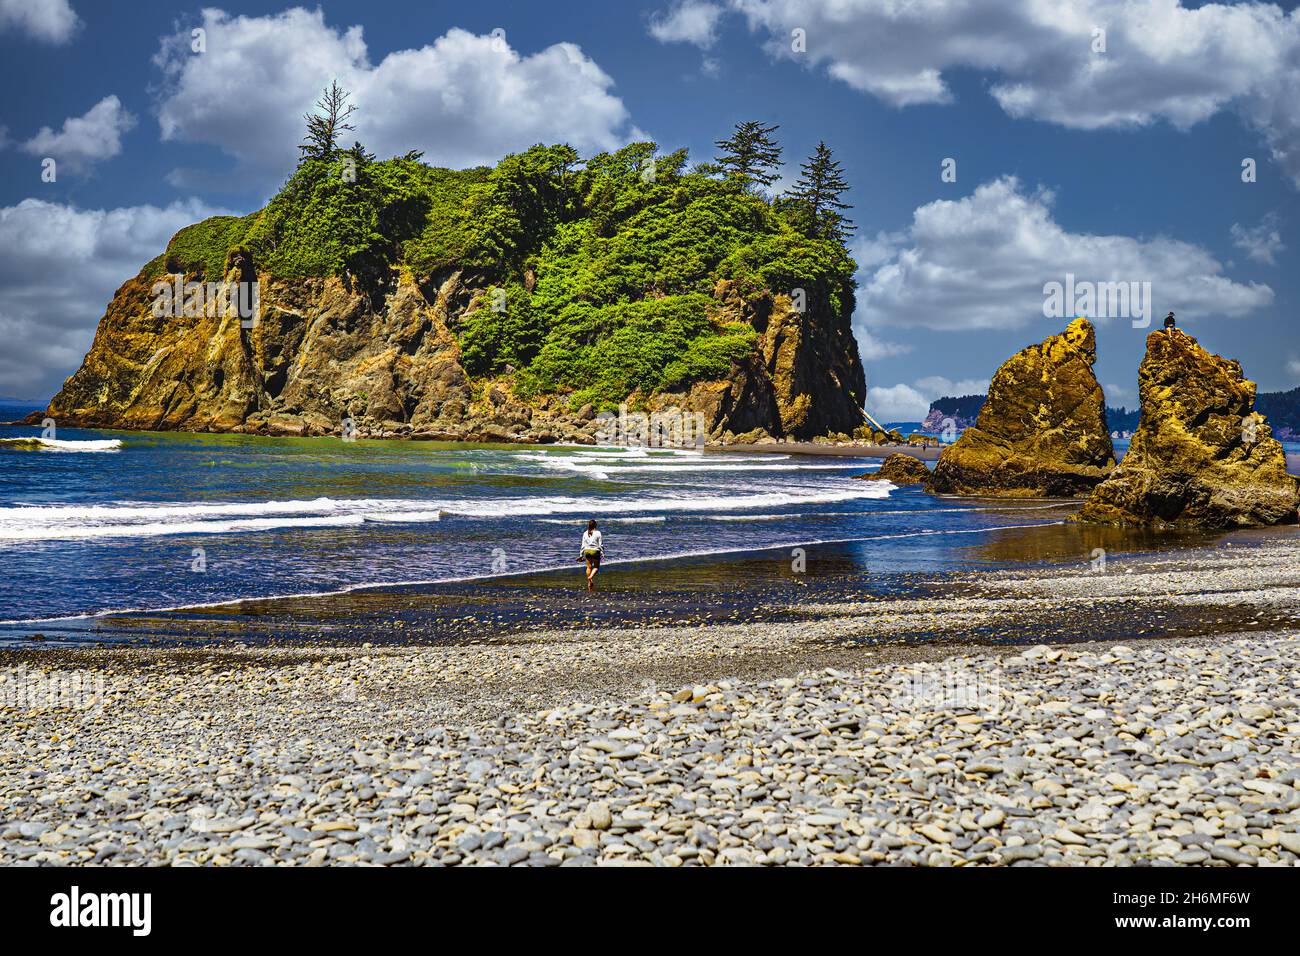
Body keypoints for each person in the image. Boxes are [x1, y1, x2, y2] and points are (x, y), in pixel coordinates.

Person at [579, 519, 603, 591]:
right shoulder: (598, 533)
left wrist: (581, 555)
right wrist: (602, 553)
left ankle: (589, 582)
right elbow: (600, 544)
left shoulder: (585, 533)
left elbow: (583, 545)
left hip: (587, 551)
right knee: (596, 567)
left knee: (589, 567)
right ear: (595, 525)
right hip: (595, 551)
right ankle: (590, 577)